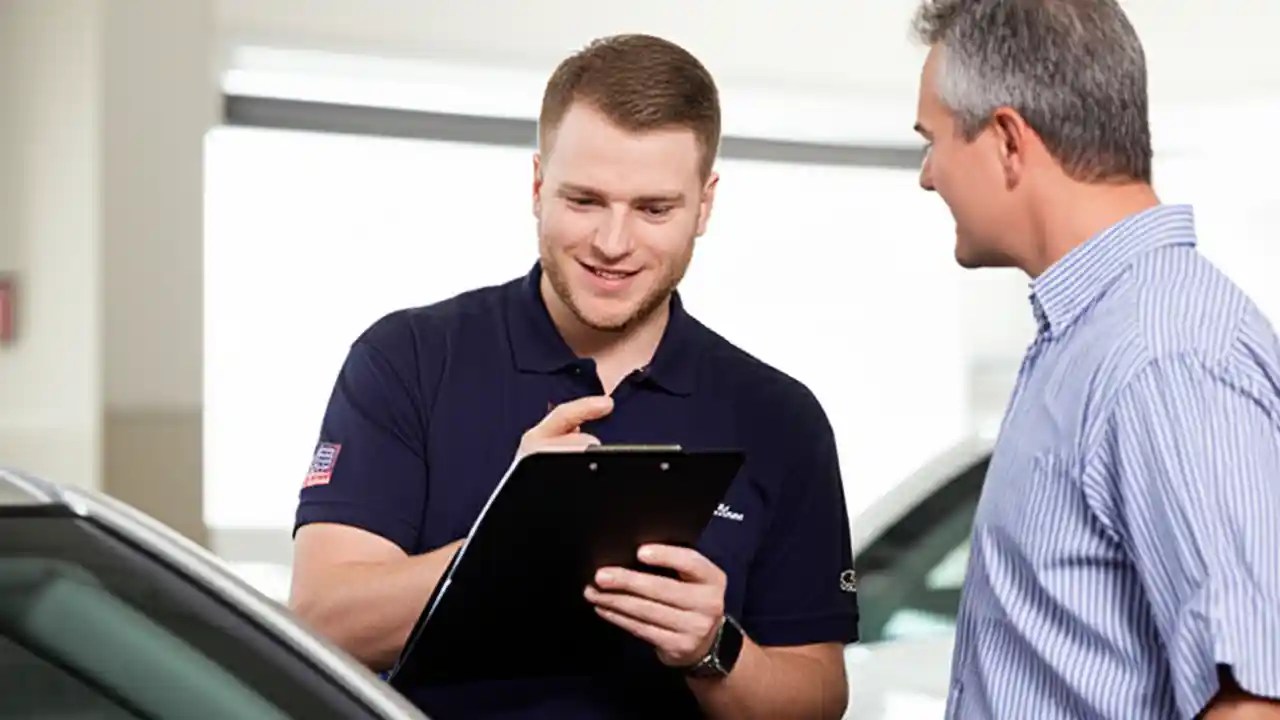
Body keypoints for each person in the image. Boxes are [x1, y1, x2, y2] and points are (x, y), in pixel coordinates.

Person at [287, 33, 858, 720]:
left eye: (654, 209)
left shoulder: (779, 417)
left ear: (704, 206)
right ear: (537, 187)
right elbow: (321, 622)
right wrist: (514, 534)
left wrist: (712, 648)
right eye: (585, 200)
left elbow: (820, 697)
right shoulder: (408, 360)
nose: (613, 244)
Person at [910, 1, 1280, 718]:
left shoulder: (1165, 355)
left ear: (1008, 140)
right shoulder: (1094, 336)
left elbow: (1256, 699)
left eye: (934, 141)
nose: (928, 176)